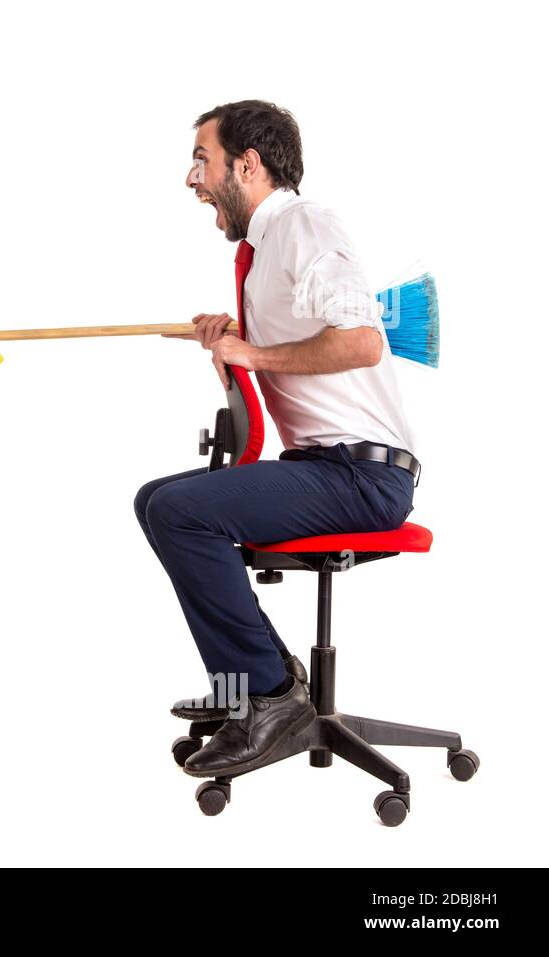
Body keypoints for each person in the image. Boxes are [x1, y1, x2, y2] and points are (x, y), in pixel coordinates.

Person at [133, 101, 419, 778]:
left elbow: (359, 340)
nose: (191, 179)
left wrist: (254, 355)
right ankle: (246, 690)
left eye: (202, 160)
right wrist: (233, 335)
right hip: (324, 468)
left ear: (248, 164)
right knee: (156, 500)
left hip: (362, 477)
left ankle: (268, 694)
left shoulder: (303, 224)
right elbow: (304, 333)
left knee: (180, 511)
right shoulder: (264, 251)